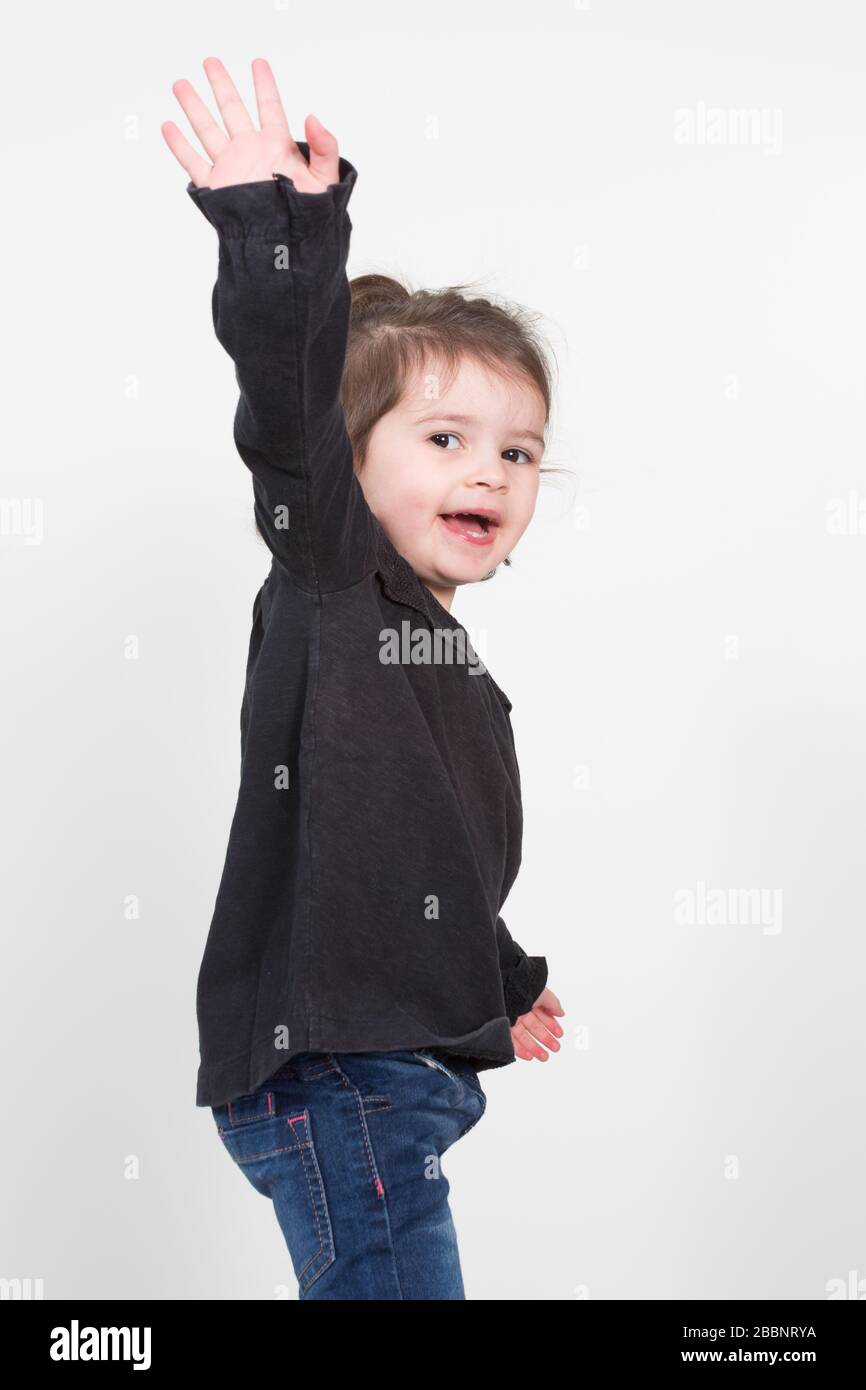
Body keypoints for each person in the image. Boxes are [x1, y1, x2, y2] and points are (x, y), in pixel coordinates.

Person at [162, 55, 565, 1300]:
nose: (487, 473)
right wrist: (276, 229)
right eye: (443, 439)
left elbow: (418, 848)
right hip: (341, 1061)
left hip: (392, 1065)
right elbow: (286, 400)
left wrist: (503, 978)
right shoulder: (334, 572)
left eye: (516, 450)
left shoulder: (437, 654)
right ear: (347, 463)